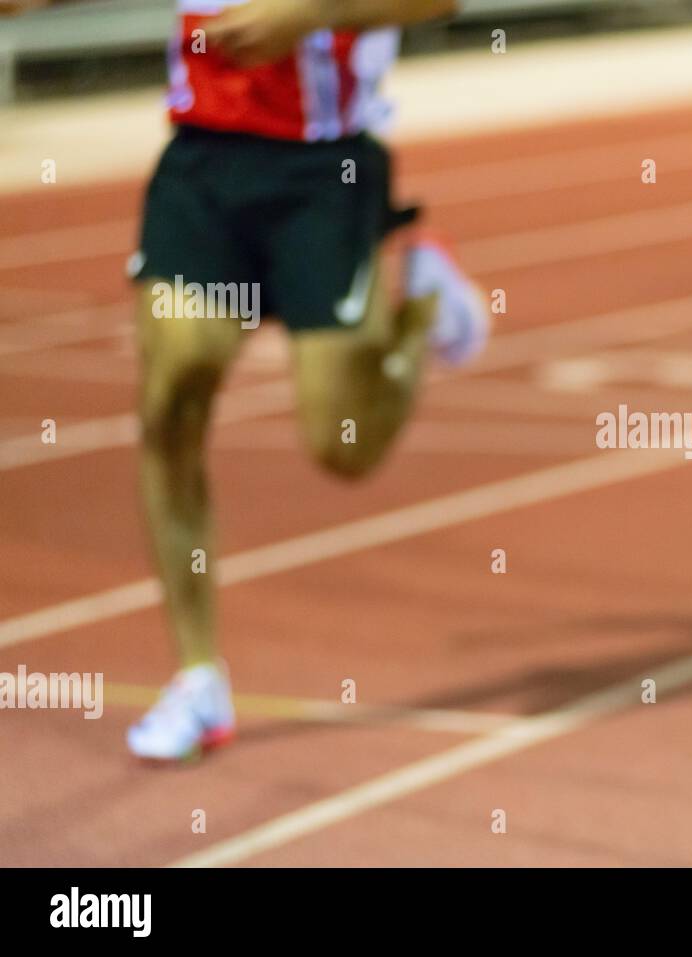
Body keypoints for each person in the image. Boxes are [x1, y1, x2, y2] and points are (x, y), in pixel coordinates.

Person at [120, 0, 489, 759]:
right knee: (170, 396)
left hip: (325, 168)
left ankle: (423, 304)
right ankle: (197, 677)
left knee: (342, 447)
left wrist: (309, 13)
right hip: (201, 161)